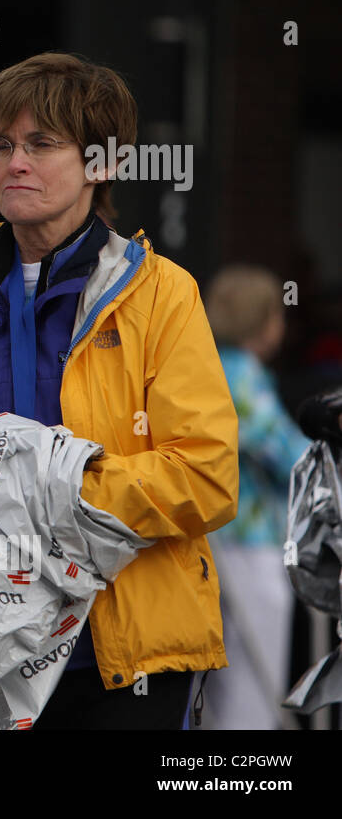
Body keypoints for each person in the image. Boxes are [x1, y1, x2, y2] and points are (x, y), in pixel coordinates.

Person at [0, 52, 239, 728]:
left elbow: (205, 475)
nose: (14, 163)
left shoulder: (164, 294)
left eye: (41, 144)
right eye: (1, 145)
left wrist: (42, 495)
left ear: (104, 163)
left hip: (127, 661)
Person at [202, 265, 310, 728]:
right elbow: (291, 455)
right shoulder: (244, 374)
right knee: (256, 674)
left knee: (217, 674)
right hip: (251, 540)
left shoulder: (203, 363)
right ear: (265, 320)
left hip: (211, 541)